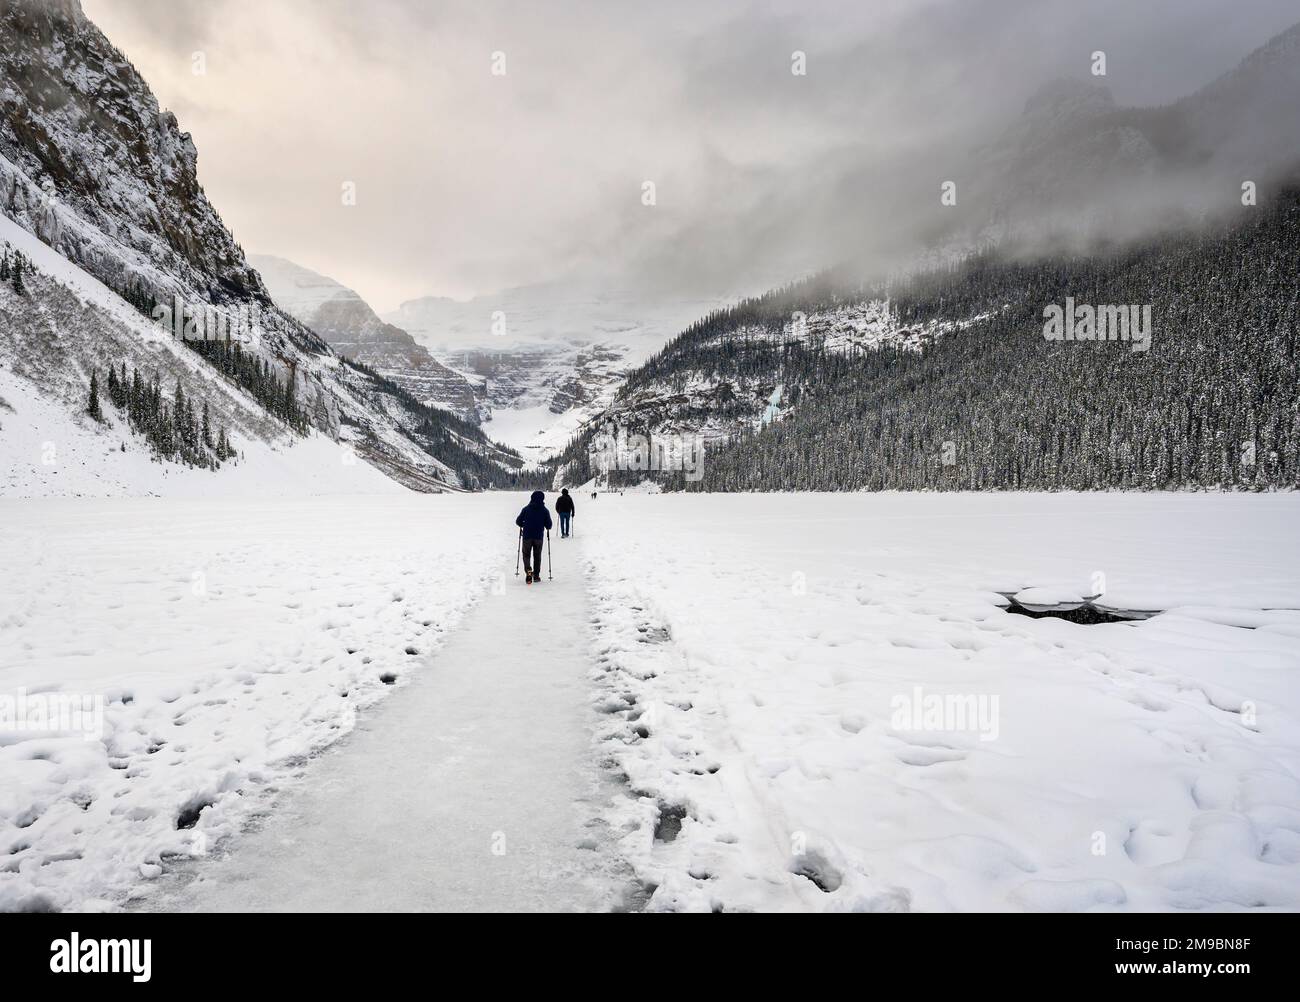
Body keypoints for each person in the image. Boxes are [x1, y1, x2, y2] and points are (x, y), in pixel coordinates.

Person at [515, 490, 552, 584]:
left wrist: (524, 524)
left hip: (527, 536)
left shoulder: (526, 509)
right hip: (538, 537)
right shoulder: (545, 510)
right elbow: (549, 525)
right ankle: (536, 576)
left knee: (526, 555)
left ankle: (528, 571)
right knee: (537, 556)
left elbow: (518, 521)